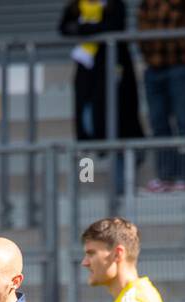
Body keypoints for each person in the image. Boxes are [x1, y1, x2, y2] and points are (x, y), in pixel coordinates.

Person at [58, 0, 146, 187]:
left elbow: (113, 26)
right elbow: (64, 27)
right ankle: (86, 182)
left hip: (115, 77)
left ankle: (122, 186)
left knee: (118, 128)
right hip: (89, 77)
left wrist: (84, 27)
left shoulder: (115, 6)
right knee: (87, 127)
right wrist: (93, 28)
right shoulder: (76, 7)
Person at [137, 0, 185, 192]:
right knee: (158, 122)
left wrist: (180, 38)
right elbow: (141, 25)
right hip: (153, 67)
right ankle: (165, 175)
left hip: (179, 65)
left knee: (184, 121)